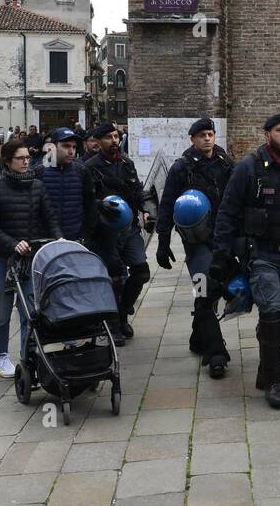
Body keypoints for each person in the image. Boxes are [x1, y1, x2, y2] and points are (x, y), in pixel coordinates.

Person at [212, 113, 280, 408]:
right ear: (267, 135)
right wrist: (221, 256)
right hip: (261, 255)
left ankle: (265, 372)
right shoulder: (248, 169)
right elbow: (227, 212)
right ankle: (273, 381)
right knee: (272, 310)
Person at [155, 117, 234, 378]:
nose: (207, 139)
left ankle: (198, 337)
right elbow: (167, 205)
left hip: (223, 238)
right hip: (196, 243)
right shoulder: (182, 168)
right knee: (204, 289)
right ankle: (216, 354)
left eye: (210, 134)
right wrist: (163, 242)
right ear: (192, 139)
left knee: (215, 292)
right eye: (201, 135)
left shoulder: (225, 163)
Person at [0, 139, 62, 378]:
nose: (26, 162)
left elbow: (49, 217)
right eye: (20, 158)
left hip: (29, 259)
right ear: (8, 161)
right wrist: (12, 243)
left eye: (28, 157)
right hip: (1, 260)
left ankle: (29, 355)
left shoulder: (37, 186)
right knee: (2, 311)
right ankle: (0, 355)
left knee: (30, 311)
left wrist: (59, 239)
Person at [85, 122, 152, 345]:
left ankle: (123, 311)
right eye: (108, 138)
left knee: (141, 271)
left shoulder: (127, 164)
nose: (114, 141)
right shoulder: (89, 167)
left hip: (129, 228)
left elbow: (137, 191)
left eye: (115, 136)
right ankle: (114, 325)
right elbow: (83, 201)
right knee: (114, 277)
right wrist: (98, 205)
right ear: (98, 142)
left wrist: (147, 211)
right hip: (105, 232)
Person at [38, 128, 97, 244]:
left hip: (75, 240)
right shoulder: (39, 171)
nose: (71, 151)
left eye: (74, 147)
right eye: (66, 146)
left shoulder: (81, 171)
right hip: (46, 241)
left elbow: (91, 208)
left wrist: (84, 237)